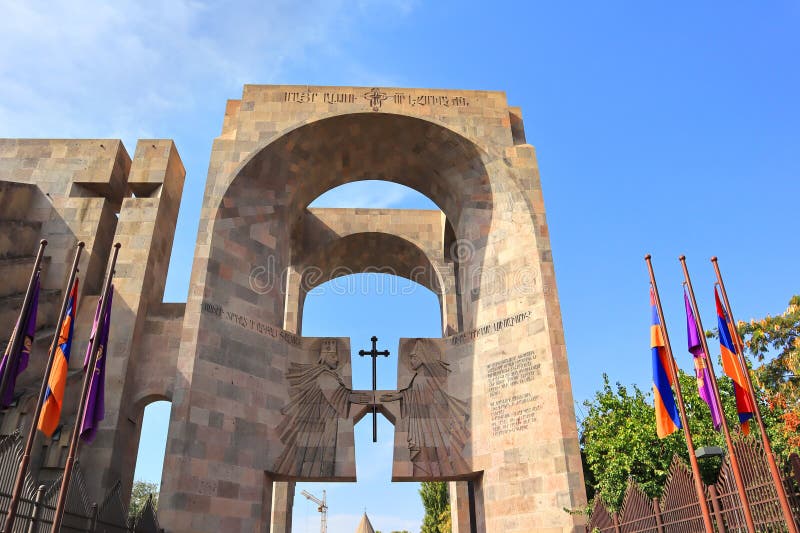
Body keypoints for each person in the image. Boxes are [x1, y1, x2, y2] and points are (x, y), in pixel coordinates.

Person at [273, 339, 370, 478]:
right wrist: (355, 398)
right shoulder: (324, 374)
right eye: (333, 356)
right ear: (324, 357)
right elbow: (336, 393)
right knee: (311, 459)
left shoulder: (329, 375)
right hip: (316, 425)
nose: (337, 360)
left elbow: (337, 392)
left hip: (322, 424)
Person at [380, 339, 470, 477]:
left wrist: (399, 396)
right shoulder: (418, 378)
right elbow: (413, 394)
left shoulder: (424, 378)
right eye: (410, 358)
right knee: (435, 458)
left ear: (422, 357)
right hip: (425, 426)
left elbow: (426, 397)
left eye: (414, 358)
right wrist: (397, 396)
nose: (411, 361)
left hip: (433, 425)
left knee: (440, 457)